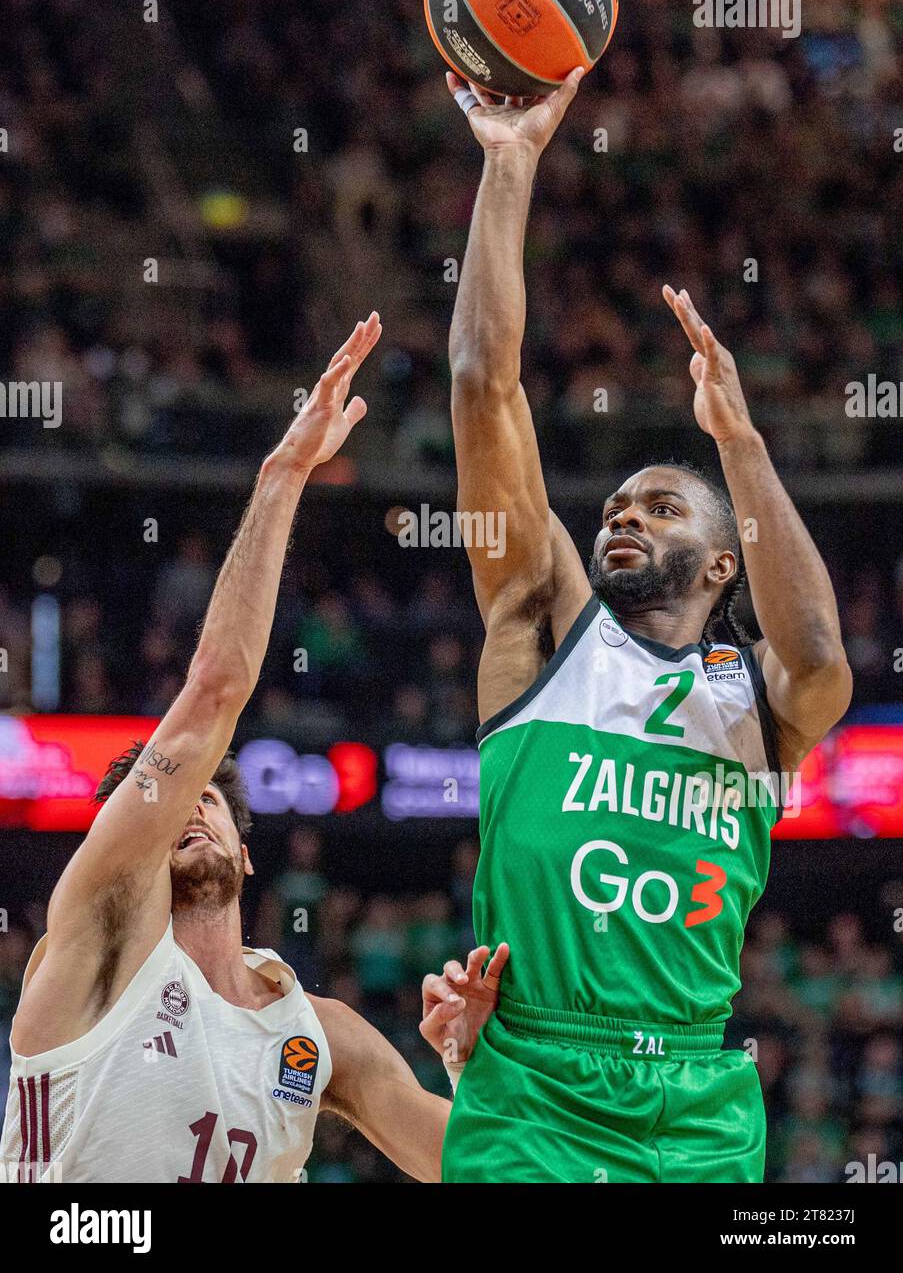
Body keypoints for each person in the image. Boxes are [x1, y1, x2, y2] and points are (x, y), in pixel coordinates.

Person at [440, 69, 852, 1183]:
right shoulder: (542, 625)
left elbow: (820, 659)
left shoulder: (755, 704)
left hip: (697, 1095)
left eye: (658, 505)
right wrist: (508, 163)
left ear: (722, 562)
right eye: (614, 505)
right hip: (535, 1083)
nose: (621, 514)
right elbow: (484, 386)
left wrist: (738, 441)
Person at [0, 314, 501, 1184]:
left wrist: (474, 1070)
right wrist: (281, 476)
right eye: (172, 802)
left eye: (212, 802)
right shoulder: (102, 932)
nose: (191, 806)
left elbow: (479, 1169)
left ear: (246, 851)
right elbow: (214, 695)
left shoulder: (319, 1034)